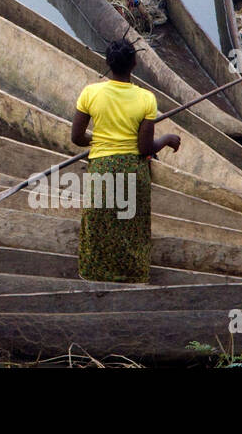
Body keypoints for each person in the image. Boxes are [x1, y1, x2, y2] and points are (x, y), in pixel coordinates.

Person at [70, 39, 181, 283]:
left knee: (98, 225)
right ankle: (133, 277)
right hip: (132, 169)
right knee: (132, 227)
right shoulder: (146, 99)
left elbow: (77, 138)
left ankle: (93, 275)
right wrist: (167, 139)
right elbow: (144, 148)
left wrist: (101, 140)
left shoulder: (90, 92)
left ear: (108, 64)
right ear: (134, 63)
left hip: (102, 168)